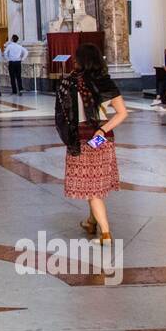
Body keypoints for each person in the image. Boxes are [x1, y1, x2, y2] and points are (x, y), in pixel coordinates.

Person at [56, 43, 128, 243]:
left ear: (79, 60)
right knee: (94, 183)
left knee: (92, 188)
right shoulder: (105, 82)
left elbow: (63, 115)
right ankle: (91, 221)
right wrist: (103, 130)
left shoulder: (70, 82)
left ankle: (105, 234)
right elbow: (122, 113)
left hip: (82, 138)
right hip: (103, 138)